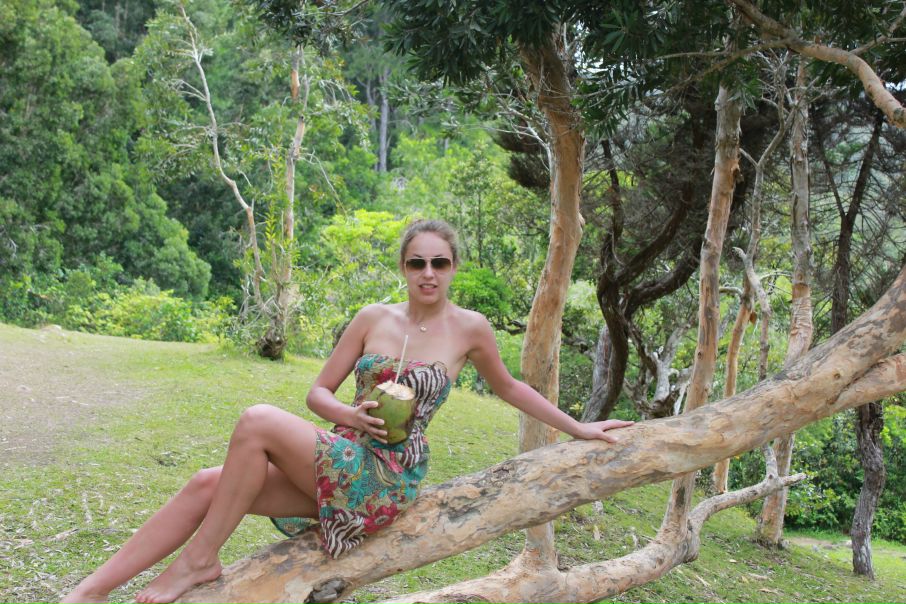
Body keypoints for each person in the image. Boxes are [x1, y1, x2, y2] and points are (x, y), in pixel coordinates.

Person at [61, 219, 634, 604]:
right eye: (417, 263)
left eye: (439, 263)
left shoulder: (471, 329)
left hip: (386, 475)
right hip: (343, 450)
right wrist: (350, 415)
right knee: (204, 483)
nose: (428, 273)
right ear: (403, 267)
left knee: (257, 420)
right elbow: (317, 394)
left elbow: (510, 388)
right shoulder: (372, 318)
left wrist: (579, 427)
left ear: (454, 267)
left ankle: (199, 560)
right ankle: (89, 592)